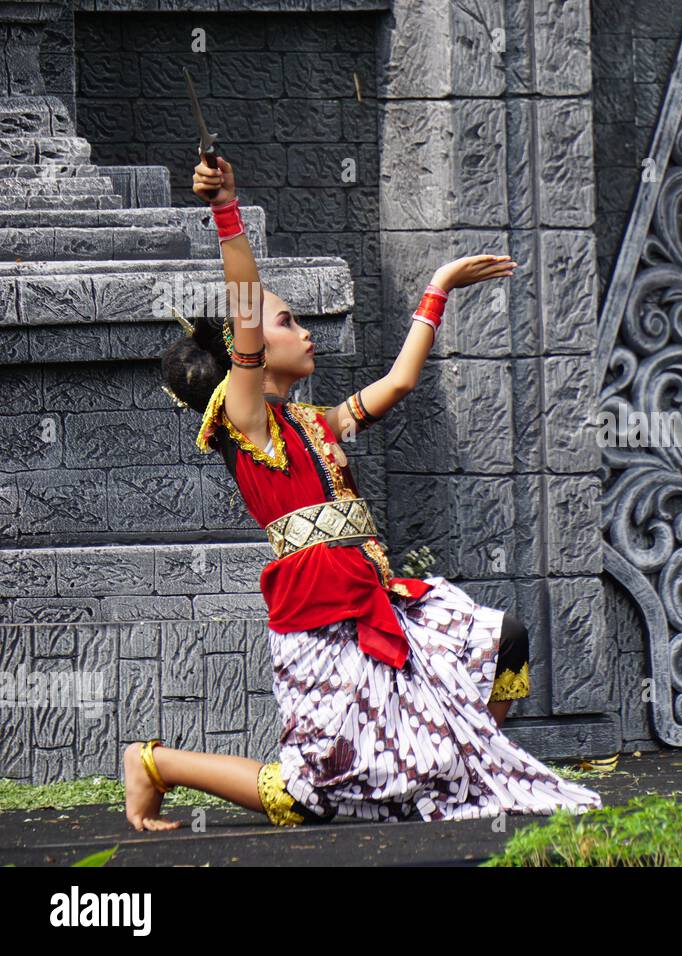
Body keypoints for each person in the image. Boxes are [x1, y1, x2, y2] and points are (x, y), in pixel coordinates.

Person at [126, 153, 601, 830]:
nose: (303, 331)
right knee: (306, 798)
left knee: (505, 640)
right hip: (319, 611)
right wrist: (226, 209)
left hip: (372, 592)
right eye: (287, 323)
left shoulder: (317, 423)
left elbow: (400, 382)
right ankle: (154, 763)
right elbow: (245, 309)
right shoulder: (249, 422)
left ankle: (476, 761)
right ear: (246, 353)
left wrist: (437, 285)